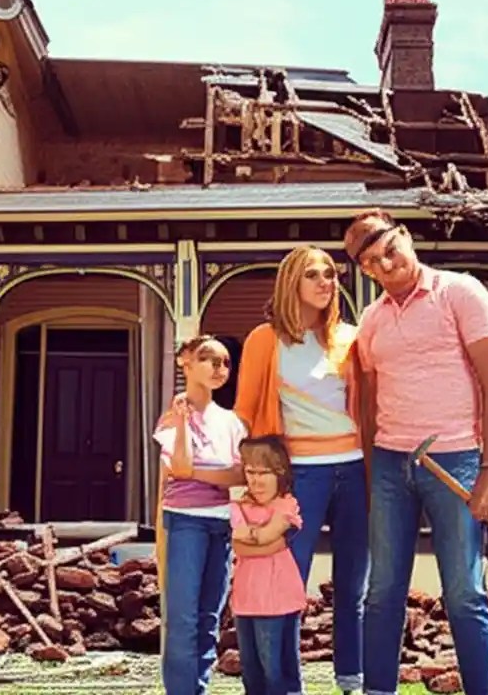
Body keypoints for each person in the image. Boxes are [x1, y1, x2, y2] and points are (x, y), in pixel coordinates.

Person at [344, 209, 488, 695]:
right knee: (382, 592)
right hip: (390, 463)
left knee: (464, 593)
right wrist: (372, 476)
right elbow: (370, 405)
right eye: (370, 262)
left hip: (455, 458)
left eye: (389, 250)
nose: (385, 264)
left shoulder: (461, 292)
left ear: (405, 236)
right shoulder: (371, 320)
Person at [232, 245, 369, 694]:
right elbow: (246, 413)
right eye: (313, 274)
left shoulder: (350, 338)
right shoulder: (263, 339)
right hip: (300, 475)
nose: (325, 281)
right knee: (286, 584)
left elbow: (371, 406)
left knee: (353, 585)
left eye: (330, 273)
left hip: (354, 470)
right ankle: (286, 687)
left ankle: (351, 680)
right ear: (292, 281)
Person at [153, 334, 246, 695]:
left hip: (221, 523)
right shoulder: (171, 419)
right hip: (185, 522)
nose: (219, 368)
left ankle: (199, 688)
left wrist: (196, 473)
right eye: (210, 359)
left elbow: (239, 474)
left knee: (209, 615)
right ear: (186, 362)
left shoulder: (232, 422)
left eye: (225, 362)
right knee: (183, 618)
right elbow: (178, 466)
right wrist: (182, 423)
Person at [229, 434, 307, 695]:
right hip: (246, 597)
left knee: (276, 668)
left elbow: (270, 538)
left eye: (264, 472)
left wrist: (250, 534)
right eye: (250, 472)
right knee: (251, 669)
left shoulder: (286, 504)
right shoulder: (236, 507)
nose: (256, 480)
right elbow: (241, 547)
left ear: (280, 473)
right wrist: (261, 538)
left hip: (279, 598)